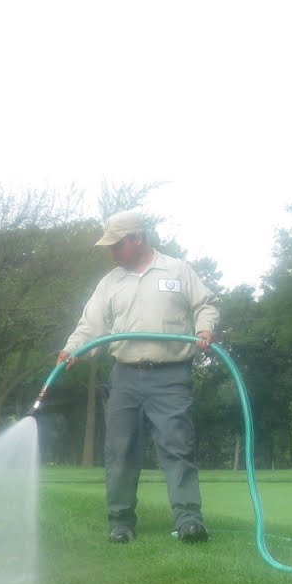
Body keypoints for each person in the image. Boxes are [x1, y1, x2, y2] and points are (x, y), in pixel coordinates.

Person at [59, 209, 219, 544]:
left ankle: (189, 521)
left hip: (172, 375)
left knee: (177, 447)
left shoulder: (178, 270)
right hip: (125, 377)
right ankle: (120, 523)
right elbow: (90, 326)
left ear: (138, 238)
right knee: (120, 451)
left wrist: (205, 328)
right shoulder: (110, 283)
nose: (112, 252)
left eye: (117, 245)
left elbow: (205, 305)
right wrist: (73, 348)